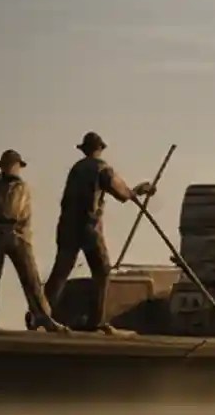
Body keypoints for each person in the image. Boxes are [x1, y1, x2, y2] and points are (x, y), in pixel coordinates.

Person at [44, 132, 154, 333]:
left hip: (67, 226)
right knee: (102, 271)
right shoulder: (101, 168)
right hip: (88, 227)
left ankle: (40, 315)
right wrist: (137, 191)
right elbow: (121, 192)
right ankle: (97, 322)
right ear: (100, 149)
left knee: (61, 271)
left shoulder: (76, 169)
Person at [0, 150, 65, 332]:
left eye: (12, 165)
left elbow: (13, 211)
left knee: (30, 278)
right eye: (7, 165)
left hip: (18, 236)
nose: (10, 168)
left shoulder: (22, 187)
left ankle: (43, 316)